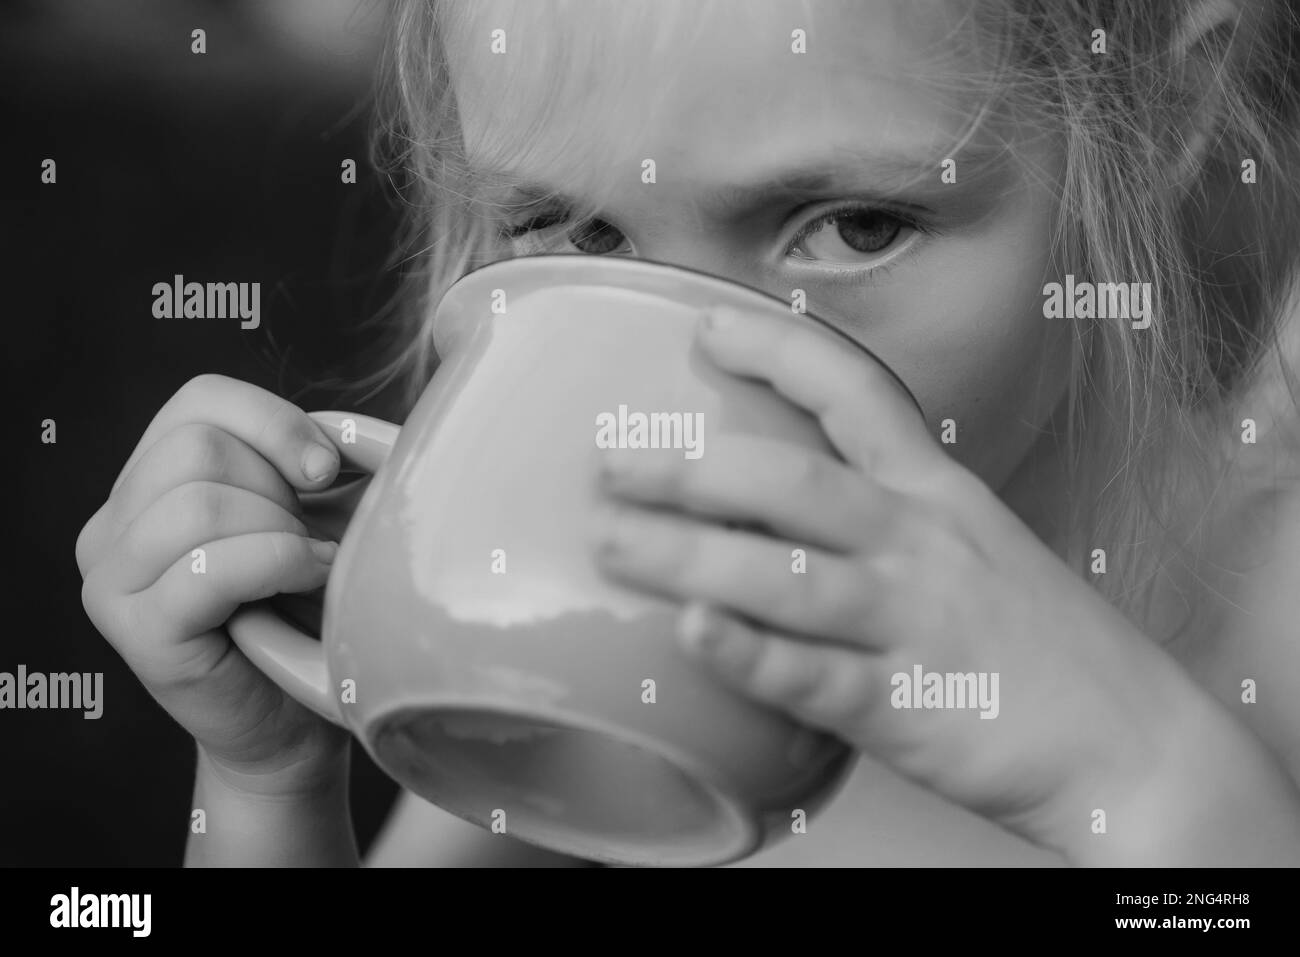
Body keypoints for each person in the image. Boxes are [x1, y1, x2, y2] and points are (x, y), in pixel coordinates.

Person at [78, 0, 1300, 866]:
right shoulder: (577, 629)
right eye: (574, 230)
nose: (706, 367)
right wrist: (268, 789)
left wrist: (1148, 786)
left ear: (1165, 108)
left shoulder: (1271, 613)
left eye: (858, 226)